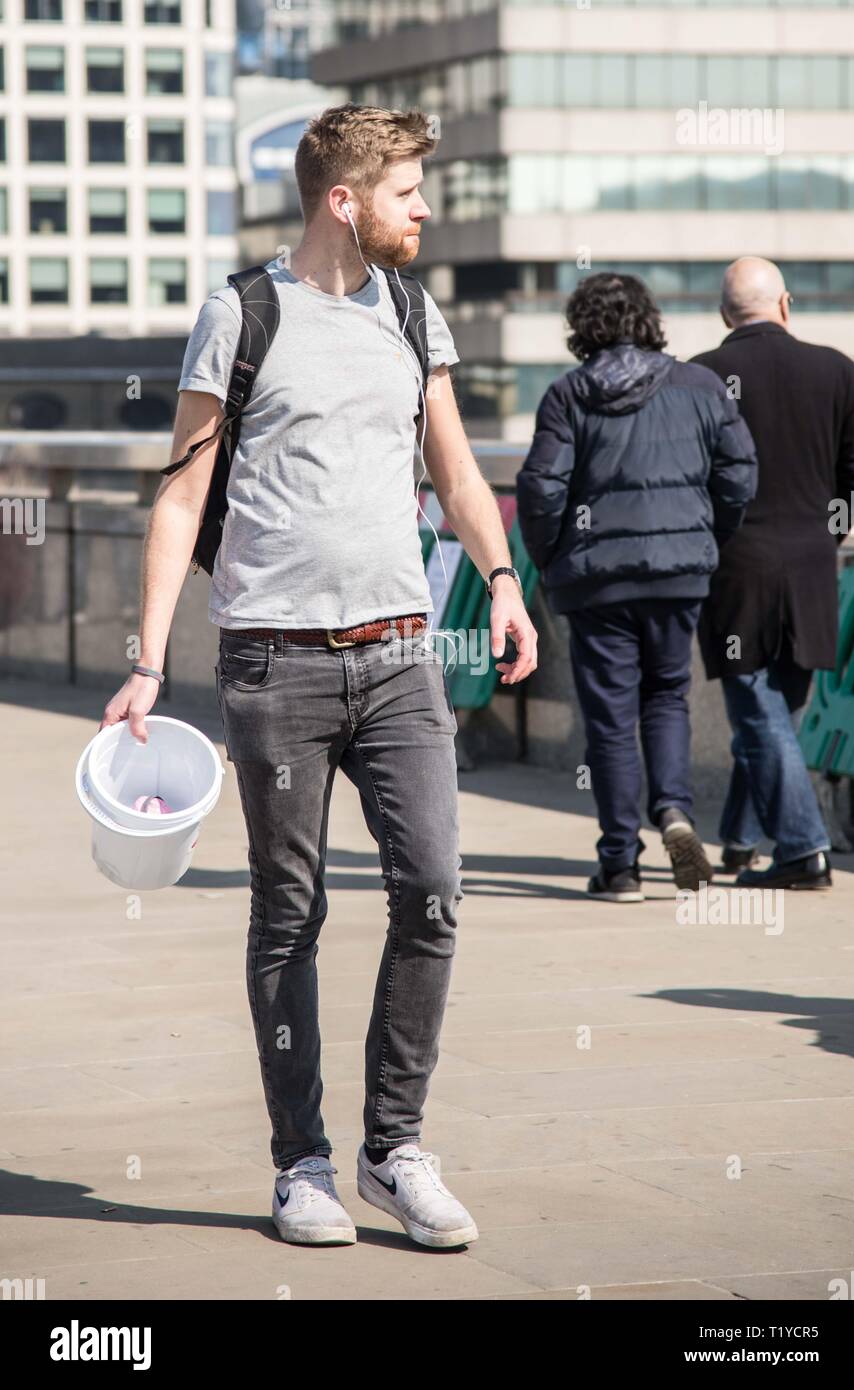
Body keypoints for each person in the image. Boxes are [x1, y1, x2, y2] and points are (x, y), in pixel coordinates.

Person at [100, 105, 538, 1248]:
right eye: (406, 192)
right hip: (273, 661)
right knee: (289, 911)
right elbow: (183, 495)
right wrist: (147, 661)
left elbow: (453, 466)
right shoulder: (239, 315)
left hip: (400, 655)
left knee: (434, 889)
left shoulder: (408, 308)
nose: (424, 209)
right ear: (344, 201)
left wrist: (498, 578)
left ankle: (394, 1149)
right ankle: (300, 1160)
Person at [517, 272, 757, 902]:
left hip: (598, 585)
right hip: (680, 575)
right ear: (649, 320)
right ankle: (675, 811)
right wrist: (704, 539)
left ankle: (620, 863)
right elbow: (739, 476)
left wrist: (550, 557)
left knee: (610, 719)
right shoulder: (702, 386)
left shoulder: (569, 395)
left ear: (583, 328)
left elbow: (540, 493)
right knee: (668, 696)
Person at [692, 256, 854, 890]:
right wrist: (822, 538)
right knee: (775, 711)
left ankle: (801, 851)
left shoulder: (703, 376)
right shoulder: (835, 368)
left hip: (735, 572)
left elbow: (692, 485)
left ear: (723, 315)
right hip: (812, 571)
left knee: (759, 712)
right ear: (786, 306)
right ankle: (740, 837)